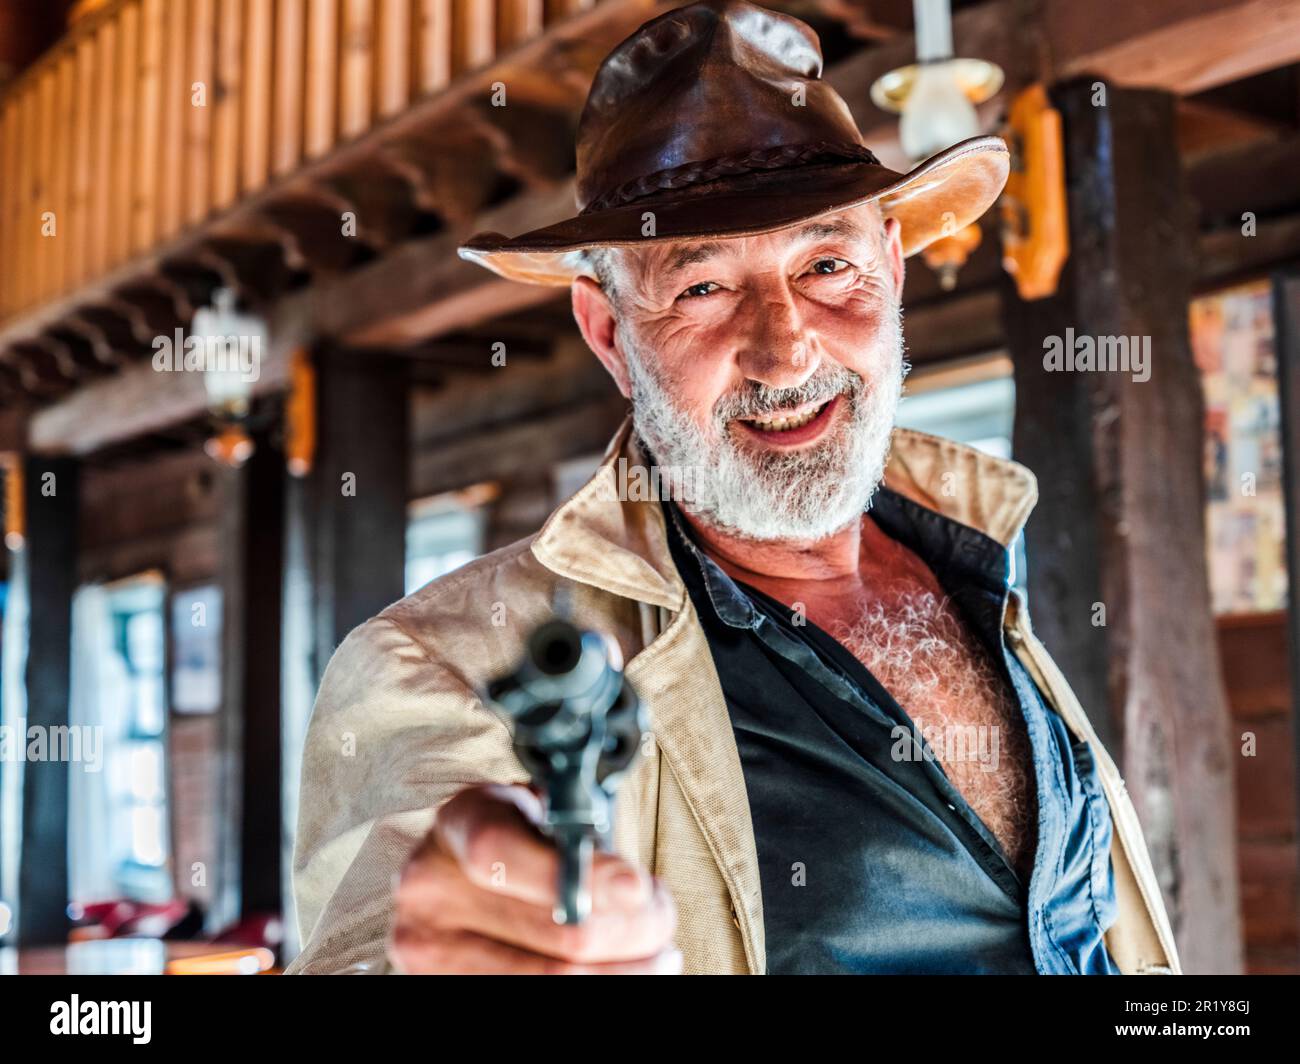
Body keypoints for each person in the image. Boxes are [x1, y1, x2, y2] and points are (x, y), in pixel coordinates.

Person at [287, 0, 1179, 975]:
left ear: (889, 268)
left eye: (827, 265)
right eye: (703, 288)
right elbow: (391, 937)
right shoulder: (449, 666)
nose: (784, 347)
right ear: (608, 333)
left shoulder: (979, 564)